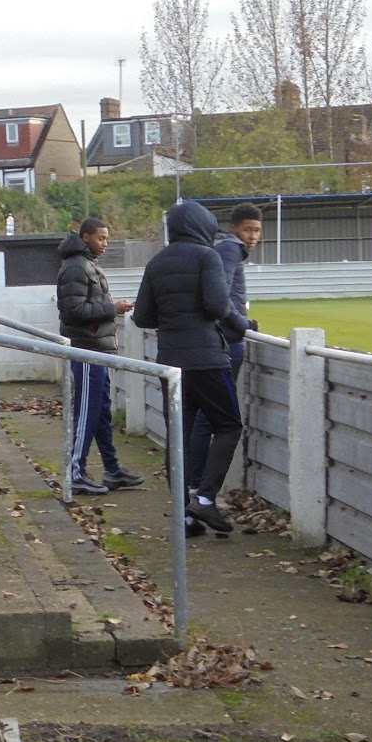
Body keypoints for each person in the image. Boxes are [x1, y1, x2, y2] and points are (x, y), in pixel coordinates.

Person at [131, 199, 242, 536]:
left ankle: (185, 517)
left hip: (171, 364)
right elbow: (217, 305)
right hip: (207, 360)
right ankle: (205, 500)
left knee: (177, 436)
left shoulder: (157, 262)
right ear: (202, 226)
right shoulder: (207, 256)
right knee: (229, 425)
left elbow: (142, 317)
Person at [56, 218, 144, 495]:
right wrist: (112, 308)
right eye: (100, 238)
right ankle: (76, 473)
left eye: (107, 239)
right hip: (86, 351)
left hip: (97, 350)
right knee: (87, 412)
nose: (105, 244)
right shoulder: (75, 268)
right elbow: (73, 312)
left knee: (102, 412)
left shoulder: (86, 265)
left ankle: (112, 469)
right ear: (85, 238)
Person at [187, 203, 262, 492]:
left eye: (257, 231)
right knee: (213, 418)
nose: (253, 236)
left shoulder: (219, 248)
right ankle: (199, 489)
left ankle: (193, 486)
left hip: (215, 339)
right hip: (227, 341)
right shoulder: (230, 249)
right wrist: (244, 323)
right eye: (248, 229)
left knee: (201, 416)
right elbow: (221, 298)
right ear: (234, 228)